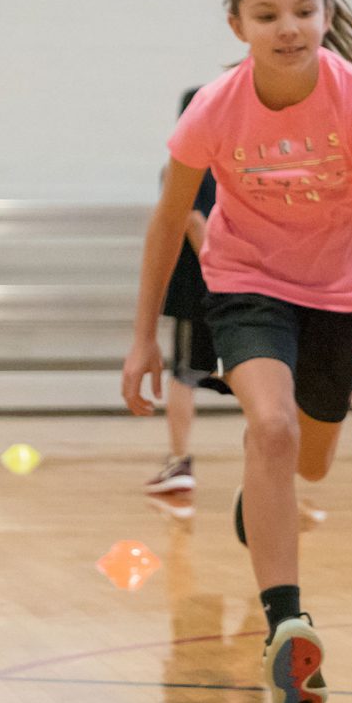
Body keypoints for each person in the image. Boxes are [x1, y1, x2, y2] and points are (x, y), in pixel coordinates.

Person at [121, 0, 352, 703]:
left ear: (325, 14)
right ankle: (287, 625)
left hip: (339, 295)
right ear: (236, 24)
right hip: (247, 284)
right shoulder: (215, 109)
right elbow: (164, 222)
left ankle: (262, 501)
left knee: (308, 461)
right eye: (266, 14)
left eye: (303, 11)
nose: (287, 27)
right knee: (273, 430)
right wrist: (143, 335)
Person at [144, 88, 224, 497]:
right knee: (195, 373)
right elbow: (193, 220)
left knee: (186, 376)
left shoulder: (211, 160)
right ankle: (179, 463)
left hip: (211, 285)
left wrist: (224, 273)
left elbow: (194, 221)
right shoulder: (194, 163)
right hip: (207, 281)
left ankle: (179, 460)